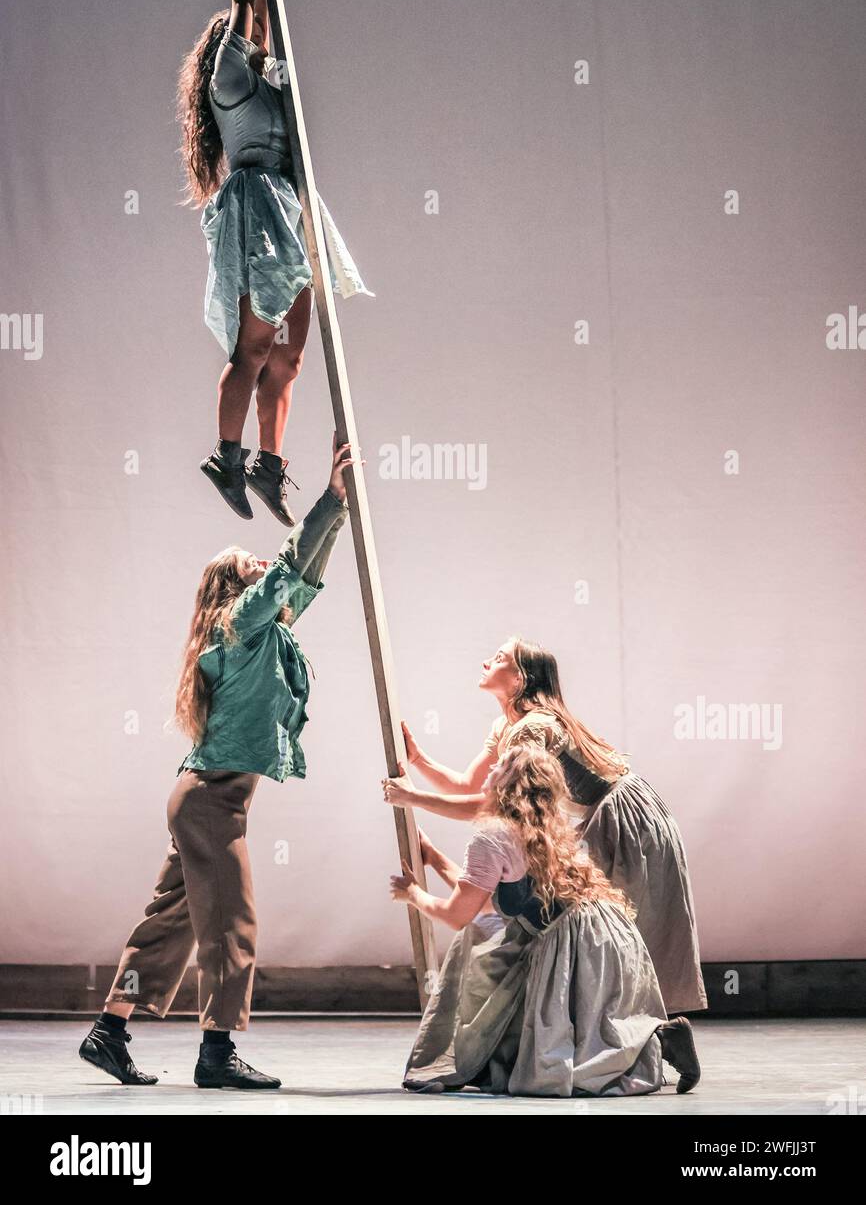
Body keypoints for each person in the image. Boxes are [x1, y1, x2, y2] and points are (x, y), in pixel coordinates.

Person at [78, 435, 358, 1090]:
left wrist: (338, 515)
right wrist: (327, 498)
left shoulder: (262, 631)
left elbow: (306, 576)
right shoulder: (239, 622)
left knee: (169, 923)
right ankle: (216, 1053)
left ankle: (108, 1033)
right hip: (211, 800)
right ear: (235, 585)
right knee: (231, 922)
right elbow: (291, 567)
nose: (263, 563)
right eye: (249, 562)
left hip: (203, 795)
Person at [383, 634, 708, 1015]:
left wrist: (412, 798)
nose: (487, 661)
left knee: (617, 927)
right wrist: (419, 762)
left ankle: (642, 1030)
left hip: (626, 819)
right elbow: (470, 786)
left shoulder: (533, 728)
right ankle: (627, 1030)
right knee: (592, 925)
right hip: (611, 814)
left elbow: (498, 803)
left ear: (520, 678)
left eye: (500, 657)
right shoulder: (507, 727)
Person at [177, 0, 373, 525]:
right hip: (258, 210)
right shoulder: (229, 78)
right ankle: (227, 457)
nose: (260, 31)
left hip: (290, 211)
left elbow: (270, 31)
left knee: (288, 358)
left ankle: (266, 463)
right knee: (256, 348)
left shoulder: (271, 79)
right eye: (252, 29)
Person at [389, 748, 700, 1097]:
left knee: (570, 1054)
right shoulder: (545, 832)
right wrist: (432, 860)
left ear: (508, 784)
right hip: (609, 933)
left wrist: (413, 894)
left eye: (500, 766)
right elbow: (485, 899)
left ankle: (658, 1040)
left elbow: (457, 915)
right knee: (590, 1027)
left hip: (578, 940)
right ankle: (662, 1035)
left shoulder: (492, 836)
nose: (491, 769)